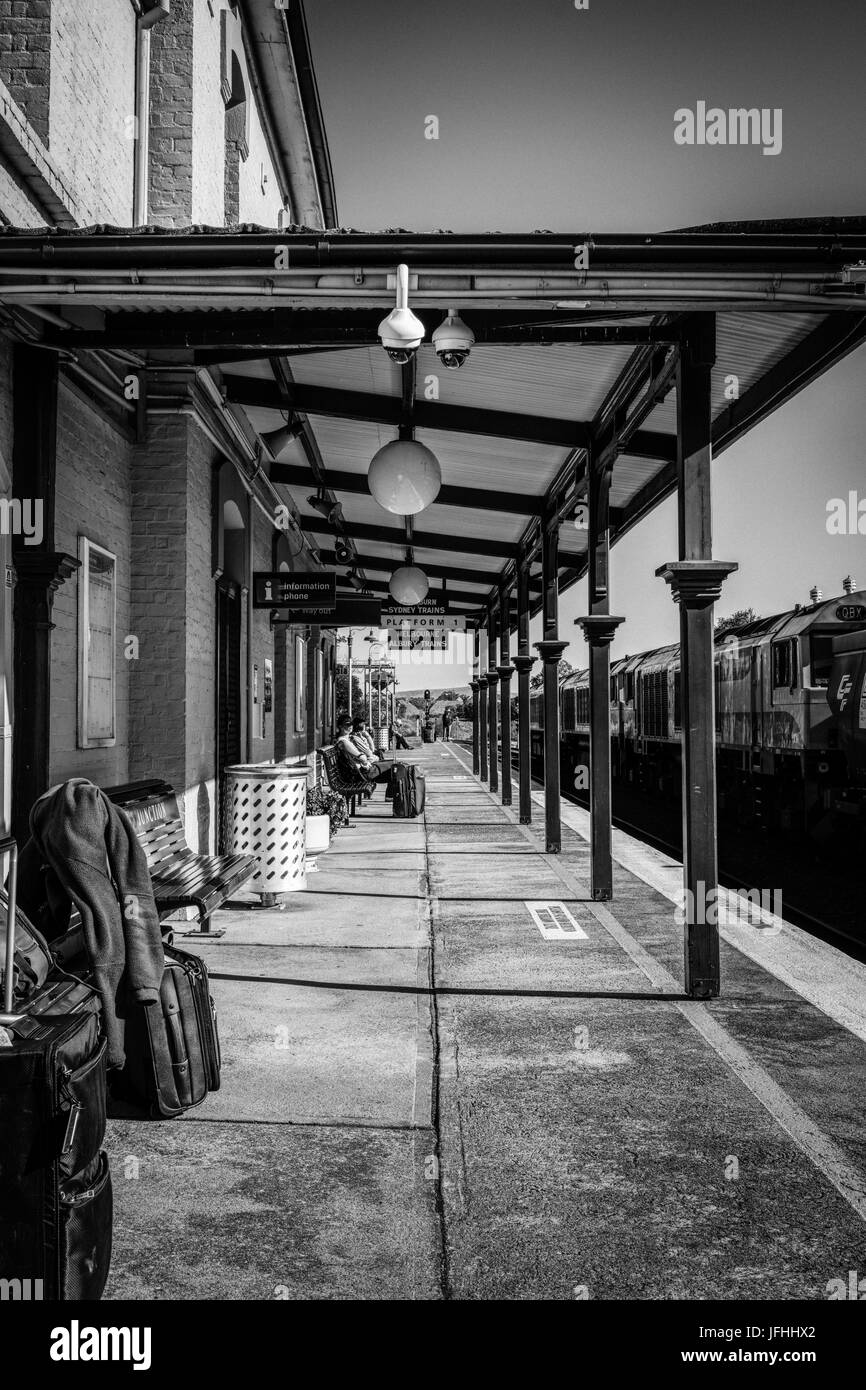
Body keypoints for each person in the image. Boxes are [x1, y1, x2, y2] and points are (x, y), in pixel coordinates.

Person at [336, 715, 390, 786]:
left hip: (360, 771)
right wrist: (366, 758)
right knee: (396, 768)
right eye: (347, 724)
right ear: (340, 726)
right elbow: (363, 758)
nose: (350, 726)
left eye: (351, 724)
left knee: (396, 768)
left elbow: (365, 754)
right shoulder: (344, 742)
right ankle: (392, 796)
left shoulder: (348, 739)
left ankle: (391, 796)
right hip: (360, 774)